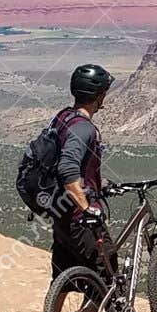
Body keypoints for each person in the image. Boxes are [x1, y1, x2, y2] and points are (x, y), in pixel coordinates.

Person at [50, 63, 115, 282]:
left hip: (61, 216)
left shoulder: (63, 117)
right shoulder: (84, 128)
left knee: (61, 281)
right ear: (99, 95)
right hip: (80, 219)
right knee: (110, 279)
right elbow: (67, 169)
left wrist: (99, 184)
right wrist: (87, 209)